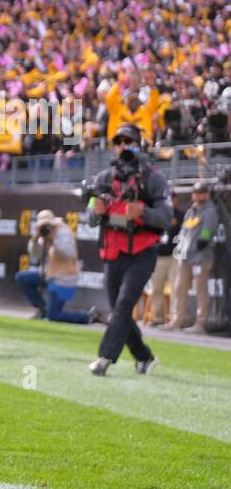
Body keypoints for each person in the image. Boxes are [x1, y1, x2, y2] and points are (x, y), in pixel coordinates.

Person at [85, 123, 172, 376]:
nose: (123, 146)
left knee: (123, 305)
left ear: (139, 145)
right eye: (119, 142)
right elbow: (90, 213)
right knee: (120, 311)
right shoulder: (103, 178)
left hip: (143, 251)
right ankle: (145, 357)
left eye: (128, 141)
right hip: (113, 251)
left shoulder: (153, 178)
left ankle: (104, 358)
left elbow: (166, 216)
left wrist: (143, 212)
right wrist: (95, 211)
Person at [14, 209, 99, 324]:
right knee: (22, 277)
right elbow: (35, 255)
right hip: (50, 274)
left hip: (65, 278)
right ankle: (42, 309)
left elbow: (68, 253)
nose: (45, 228)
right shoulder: (44, 233)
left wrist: (53, 239)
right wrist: (35, 239)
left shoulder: (63, 232)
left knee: (53, 315)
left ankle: (88, 316)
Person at [173, 180, 221, 333]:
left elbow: (209, 229)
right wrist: (180, 249)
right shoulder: (191, 210)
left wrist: (204, 240)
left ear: (207, 194)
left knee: (201, 290)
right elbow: (183, 231)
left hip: (201, 257)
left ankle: (200, 324)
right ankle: (177, 320)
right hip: (185, 256)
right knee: (179, 288)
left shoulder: (210, 210)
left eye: (201, 192)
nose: (198, 195)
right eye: (196, 192)